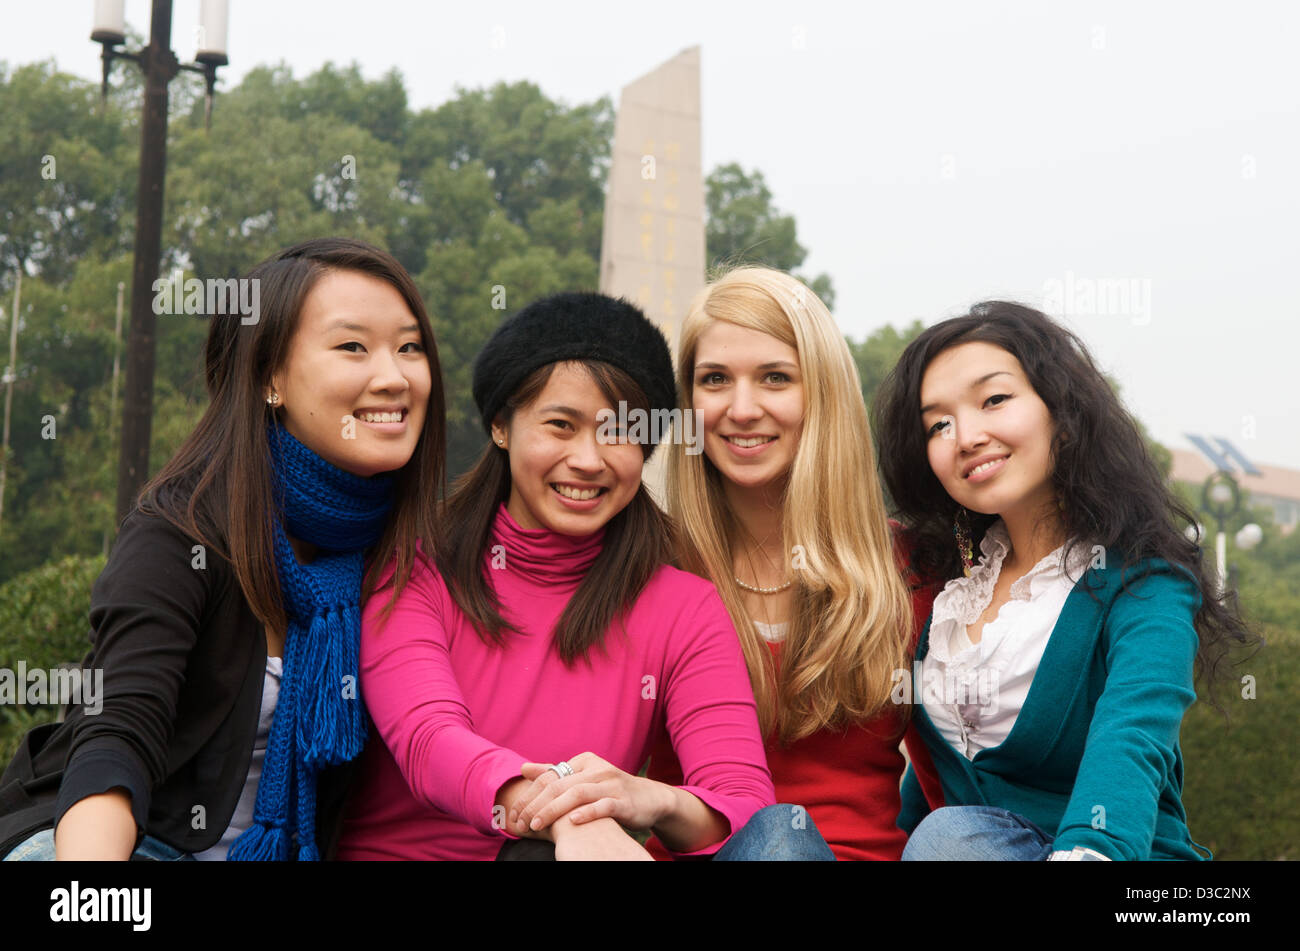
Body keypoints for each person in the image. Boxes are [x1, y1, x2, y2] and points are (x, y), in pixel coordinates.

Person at [0, 237, 445, 861]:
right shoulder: (181, 532)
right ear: (270, 378)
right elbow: (119, 726)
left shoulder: (413, 555)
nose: (394, 377)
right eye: (353, 347)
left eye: (409, 347)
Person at [336, 291, 800, 861]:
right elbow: (430, 742)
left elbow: (745, 807)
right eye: (560, 424)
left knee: (786, 836)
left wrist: (646, 800)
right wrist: (560, 815)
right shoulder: (416, 569)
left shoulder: (684, 606)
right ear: (502, 426)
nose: (588, 458)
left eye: (616, 432)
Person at [873, 300, 1252, 860]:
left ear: (1063, 413)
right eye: (939, 424)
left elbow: (1131, 739)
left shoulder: (1146, 585)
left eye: (994, 399)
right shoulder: (948, 599)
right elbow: (937, 787)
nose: (966, 435)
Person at [645, 266, 945, 861]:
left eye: (775, 378)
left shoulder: (913, 569)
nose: (742, 408)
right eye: (714, 380)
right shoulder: (645, 567)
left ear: (823, 394)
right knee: (778, 837)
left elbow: (955, 787)